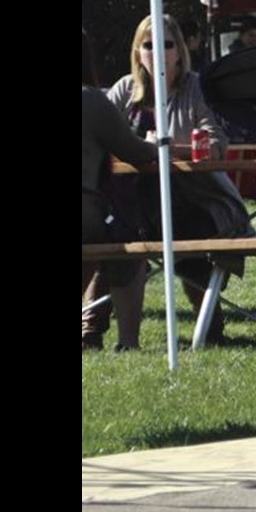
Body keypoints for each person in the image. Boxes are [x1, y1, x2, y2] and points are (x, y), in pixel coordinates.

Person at [106, 15, 253, 345]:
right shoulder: (123, 91)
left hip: (197, 196)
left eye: (167, 44)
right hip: (133, 199)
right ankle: (100, 333)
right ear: (137, 50)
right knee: (114, 235)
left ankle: (210, 329)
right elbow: (100, 144)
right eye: (148, 45)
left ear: (180, 51)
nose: (157, 51)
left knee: (184, 229)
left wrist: (170, 147)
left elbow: (216, 145)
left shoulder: (197, 88)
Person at [82, 32, 158, 351]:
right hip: (86, 215)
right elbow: (134, 151)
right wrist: (156, 144)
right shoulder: (91, 100)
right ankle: (129, 342)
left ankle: (90, 331)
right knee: (131, 248)